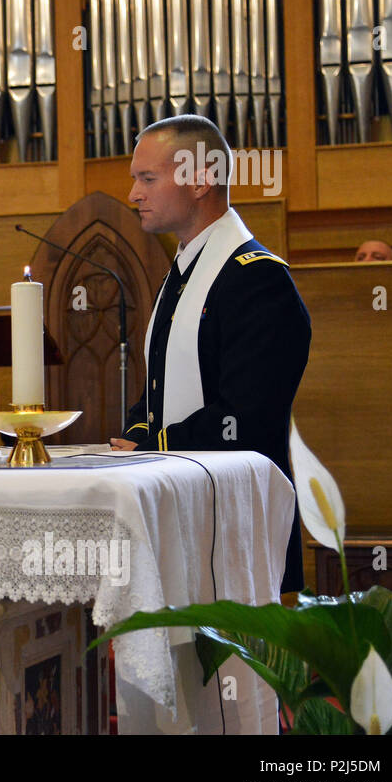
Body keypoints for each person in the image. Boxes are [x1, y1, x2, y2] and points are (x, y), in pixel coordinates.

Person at [109, 115, 311, 594]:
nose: (134, 193)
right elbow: (154, 393)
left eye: (147, 178)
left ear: (200, 178)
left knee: (234, 672)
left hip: (239, 525)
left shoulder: (257, 279)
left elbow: (247, 418)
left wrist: (154, 447)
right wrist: (133, 439)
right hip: (184, 504)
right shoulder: (184, 269)